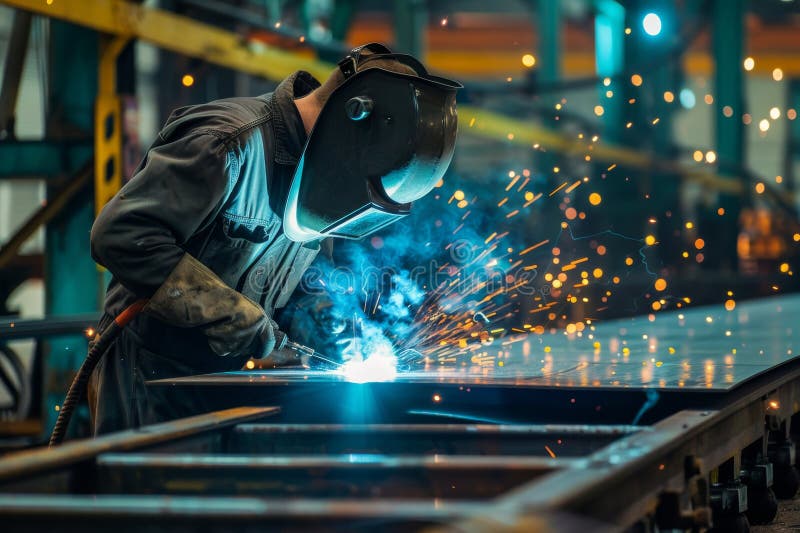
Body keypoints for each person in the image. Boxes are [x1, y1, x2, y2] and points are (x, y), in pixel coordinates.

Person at [87, 43, 460, 434]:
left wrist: (330, 329)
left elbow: (306, 278)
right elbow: (121, 234)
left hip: (225, 382)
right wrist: (228, 311)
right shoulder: (226, 142)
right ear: (352, 118)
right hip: (149, 381)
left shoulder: (320, 173)